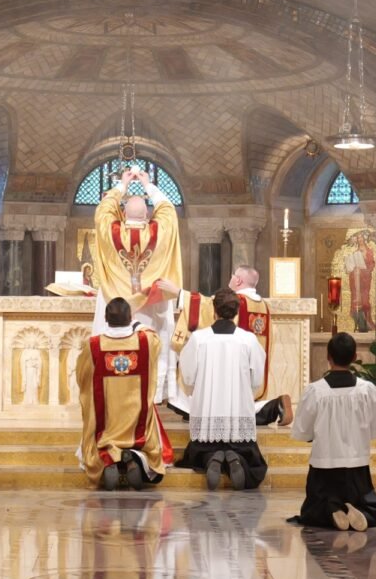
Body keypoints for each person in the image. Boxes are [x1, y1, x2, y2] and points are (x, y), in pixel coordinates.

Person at [92, 167, 183, 404]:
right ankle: (152, 395)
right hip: (151, 306)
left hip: (116, 305)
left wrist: (122, 184)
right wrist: (147, 185)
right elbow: (168, 210)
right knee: (151, 348)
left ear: (122, 213)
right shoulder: (160, 230)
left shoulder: (110, 229)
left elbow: (103, 210)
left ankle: (112, 391)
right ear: (147, 215)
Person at [162, 265, 293, 426]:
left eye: (232, 276)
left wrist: (179, 294)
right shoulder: (263, 306)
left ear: (238, 280)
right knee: (239, 409)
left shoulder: (237, 301)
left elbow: (208, 305)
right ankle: (273, 406)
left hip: (229, 366)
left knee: (223, 410)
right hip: (249, 372)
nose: (230, 279)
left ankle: (272, 407)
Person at [287, 332, 376, 531]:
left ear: (328, 357)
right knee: (367, 502)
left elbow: (303, 431)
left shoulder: (316, 391)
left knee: (315, 509)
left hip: (325, 466)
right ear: (355, 356)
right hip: (357, 465)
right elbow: (372, 429)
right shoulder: (367, 390)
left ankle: (332, 513)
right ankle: (361, 513)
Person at [174, 290, 268, 490]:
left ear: (214, 310)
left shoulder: (199, 339)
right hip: (238, 413)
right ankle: (236, 457)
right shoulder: (248, 339)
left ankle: (212, 457)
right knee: (247, 452)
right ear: (236, 312)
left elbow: (188, 376)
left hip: (208, 415)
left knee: (200, 448)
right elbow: (257, 378)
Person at [77, 297, 171, 490]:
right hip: (136, 421)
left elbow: (82, 376)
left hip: (108, 421)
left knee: (97, 433)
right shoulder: (146, 341)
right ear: (130, 317)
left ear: (105, 318)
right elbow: (151, 333)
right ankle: (132, 456)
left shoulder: (93, 345)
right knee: (144, 444)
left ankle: (109, 459)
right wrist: (135, 321)